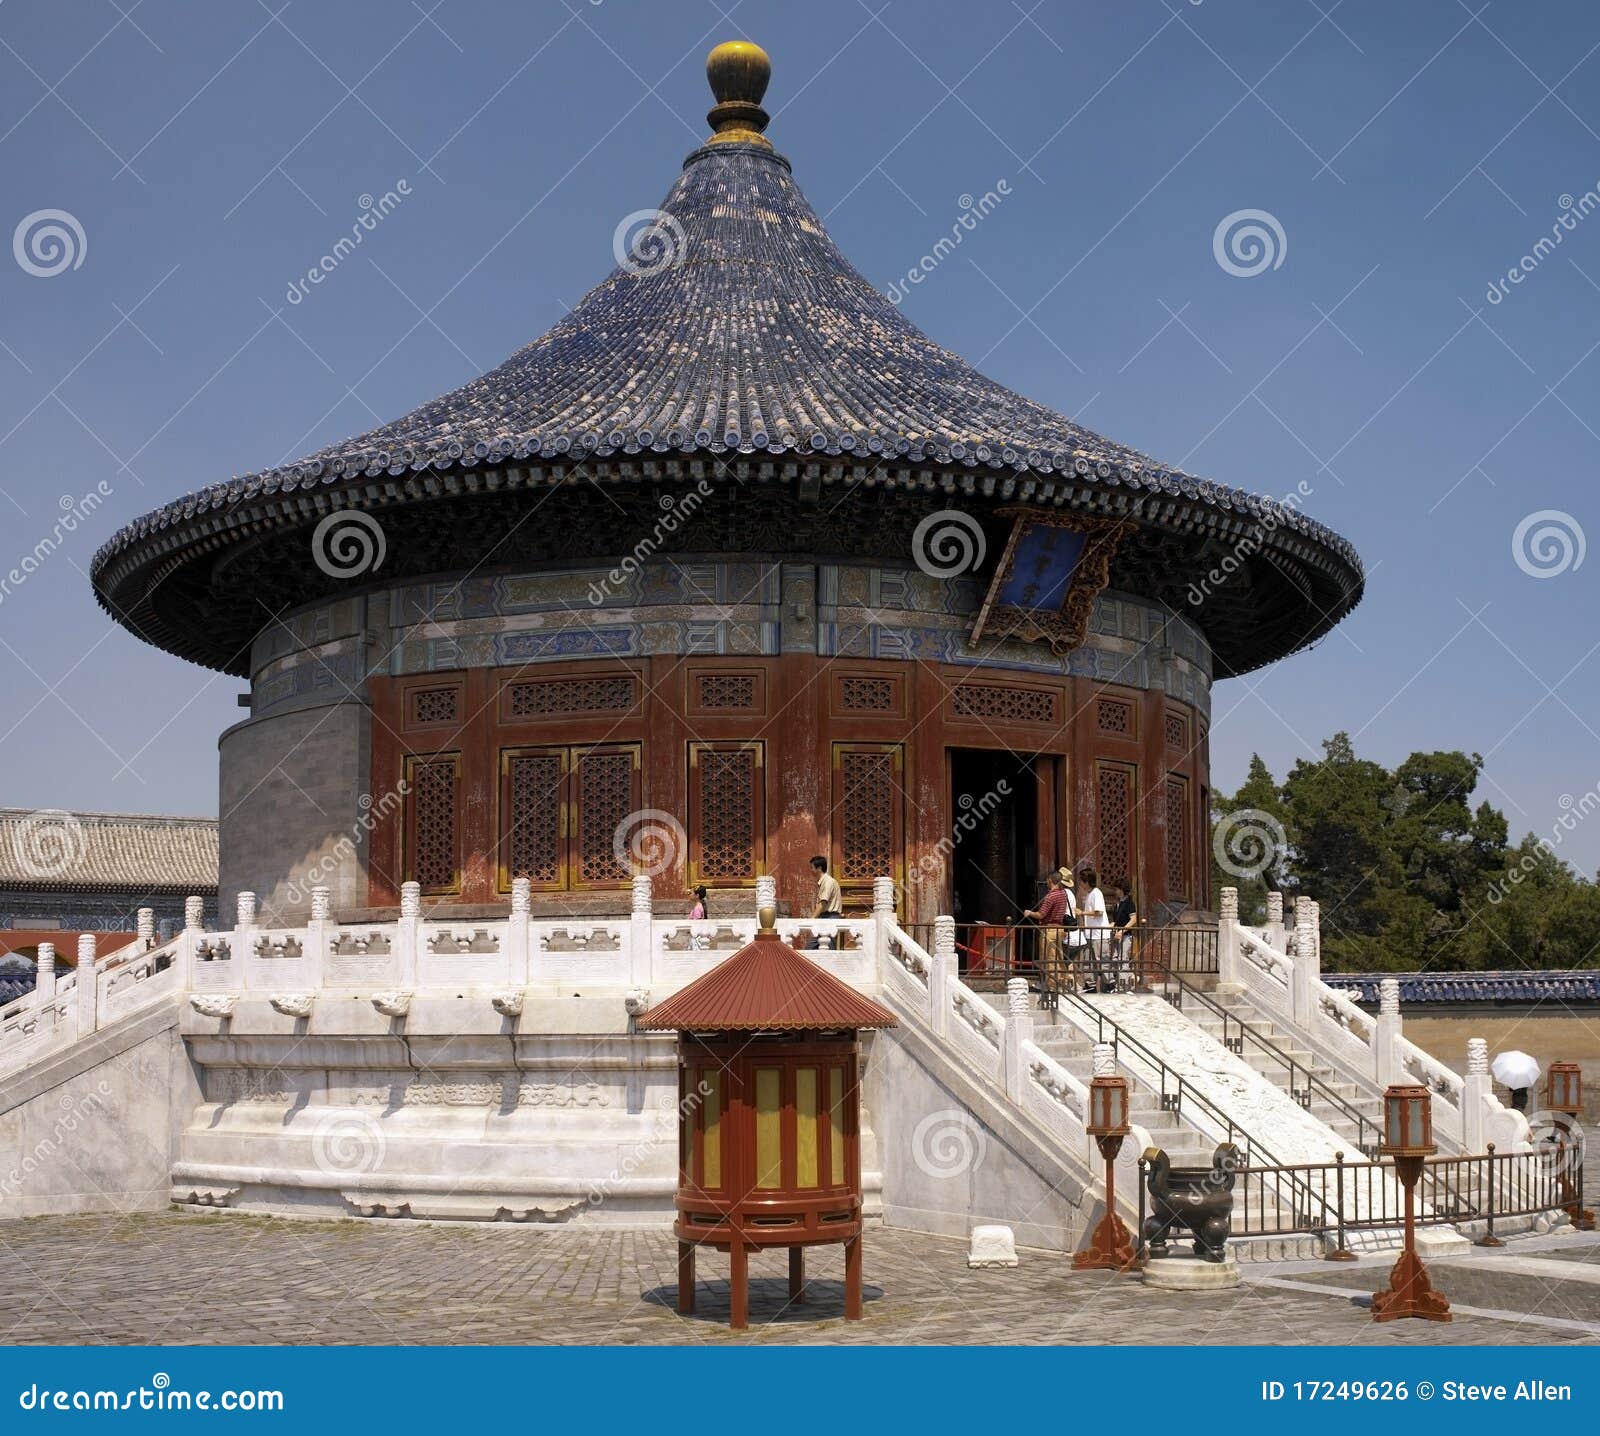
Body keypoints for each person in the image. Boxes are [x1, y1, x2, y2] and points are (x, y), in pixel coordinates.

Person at [1024, 870, 1071, 1001]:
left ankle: (1052, 987)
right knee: (1057, 958)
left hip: (1049, 930)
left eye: (1047, 880)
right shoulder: (1063, 894)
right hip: (1059, 929)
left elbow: (1041, 915)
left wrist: (1029, 913)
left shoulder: (1051, 896)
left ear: (1050, 880)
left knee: (1049, 959)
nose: (1046, 882)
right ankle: (1056, 983)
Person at [1077, 864, 1110, 991]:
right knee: (1089, 961)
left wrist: (1082, 913)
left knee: (1101, 961)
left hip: (1099, 934)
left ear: (1086, 881)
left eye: (1081, 881)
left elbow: (1099, 912)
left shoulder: (1096, 893)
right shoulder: (1090, 894)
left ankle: (1108, 985)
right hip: (1091, 934)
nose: (1080, 884)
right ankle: (1090, 985)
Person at [1107, 876, 1137, 989]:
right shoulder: (1118, 903)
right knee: (1115, 959)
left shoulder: (1129, 903)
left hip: (1125, 936)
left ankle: (1123, 986)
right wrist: (1111, 925)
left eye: (1117, 889)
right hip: (1116, 935)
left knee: (1122, 959)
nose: (1115, 891)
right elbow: (1116, 920)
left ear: (1122, 889)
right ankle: (1121, 982)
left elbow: (1133, 919)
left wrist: (1122, 931)